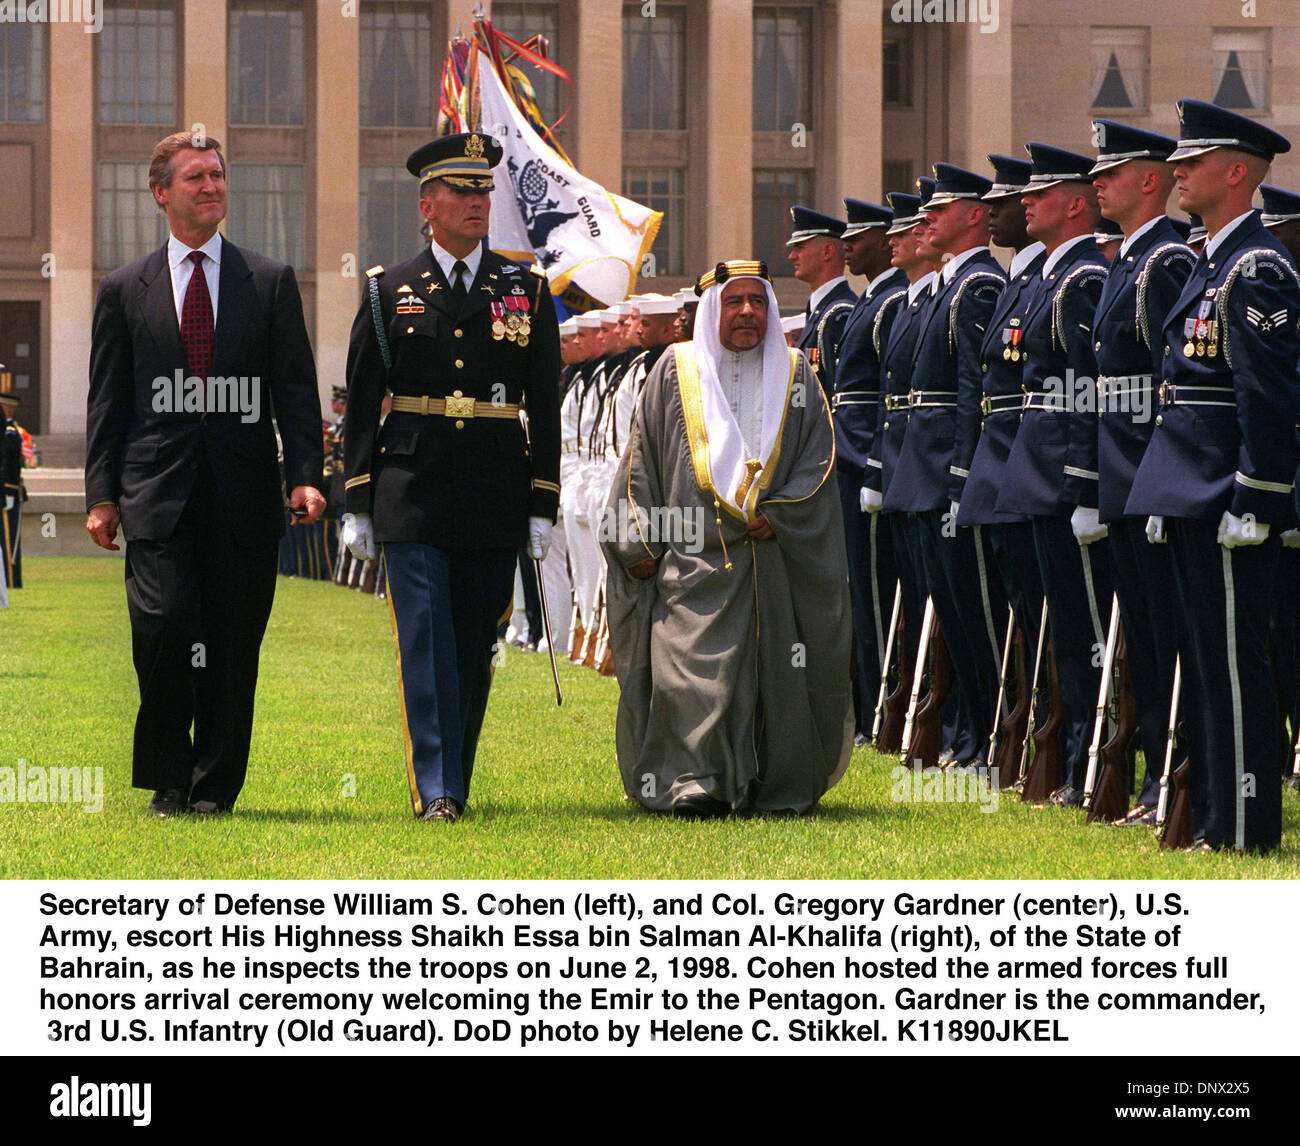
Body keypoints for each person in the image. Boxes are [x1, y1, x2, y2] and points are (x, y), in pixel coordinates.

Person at [84, 130, 325, 817]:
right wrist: (101, 496)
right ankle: (168, 776)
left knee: (229, 645)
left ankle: (215, 786)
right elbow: (109, 400)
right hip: (156, 497)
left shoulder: (270, 282)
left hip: (243, 495)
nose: (211, 186)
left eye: (217, 175)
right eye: (195, 177)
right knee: (163, 632)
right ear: (162, 193)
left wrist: (305, 474)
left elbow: (296, 392)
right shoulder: (125, 289)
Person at [341, 132, 561, 824]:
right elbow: (360, 400)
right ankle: (436, 788)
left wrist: (543, 503)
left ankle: (454, 775)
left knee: (474, 640)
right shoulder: (388, 291)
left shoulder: (525, 289)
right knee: (426, 635)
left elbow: (545, 405)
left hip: (494, 490)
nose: (478, 203)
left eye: (484, 191)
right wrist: (356, 501)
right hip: (412, 489)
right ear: (426, 206)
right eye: (463, 192)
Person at [603, 261, 852, 817]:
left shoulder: (796, 372)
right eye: (735, 302)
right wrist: (638, 542)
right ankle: (693, 781)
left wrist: (782, 514)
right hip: (693, 559)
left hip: (772, 559)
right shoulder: (677, 370)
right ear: (713, 310)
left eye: (757, 303)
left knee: (777, 674)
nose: (747, 313)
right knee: (687, 673)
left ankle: (771, 783)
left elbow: (817, 461)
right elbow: (643, 460)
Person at [1127, 101, 1300, 852]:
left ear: (1236, 173)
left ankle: (1244, 824)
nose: (1177, 172)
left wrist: (1256, 496)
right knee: (1202, 663)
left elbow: (1270, 395)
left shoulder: (1257, 267)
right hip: (1190, 489)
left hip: (1227, 495)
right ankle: (1212, 818)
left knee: (1233, 669)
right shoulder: (1211, 261)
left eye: (1192, 163)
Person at [1089, 120, 1196, 825]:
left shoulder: (1165, 262)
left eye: (1112, 171)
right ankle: (1158, 776)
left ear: (1149, 180)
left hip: (1147, 470)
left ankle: (1175, 779)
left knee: (1166, 636)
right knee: (1144, 641)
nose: (1098, 182)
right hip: (1120, 471)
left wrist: (1163, 476)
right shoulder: (1132, 260)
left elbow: (1172, 380)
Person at [887, 164, 1008, 770]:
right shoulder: (947, 287)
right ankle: (969, 734)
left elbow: (972, 392)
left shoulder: (978, 285)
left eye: (941, 208)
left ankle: (990, 738)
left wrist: (962, 477)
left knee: (975, 618)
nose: (926, 218)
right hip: (924, 472)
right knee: (952, 617)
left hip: (947, 475)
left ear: (975, 216)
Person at [832, 198, 907, 743]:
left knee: (877, 593)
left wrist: (875, 462)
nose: (848, 246)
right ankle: (869, 705)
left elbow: (885, 393)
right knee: (859, 591)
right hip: (851, 460)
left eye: (861, 237)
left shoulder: (889, 302)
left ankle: (883, 709)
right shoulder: (870, 301)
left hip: (867, 461)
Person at [787, 206, 856, 396]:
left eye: (799, 247)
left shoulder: (839, 314)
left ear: (827, 252)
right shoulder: (821, 311)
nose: (792, 256)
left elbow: (835, 392)